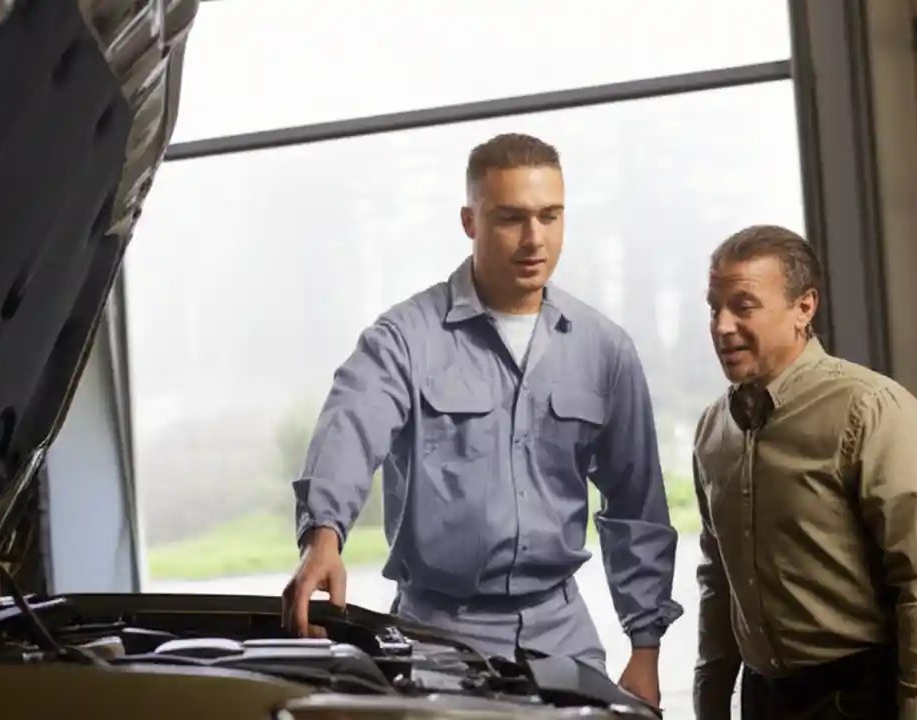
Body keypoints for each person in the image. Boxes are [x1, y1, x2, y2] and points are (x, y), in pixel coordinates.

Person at [280, 132, 683, 705]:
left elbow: (635, 504)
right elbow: (350, 427)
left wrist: (645, 648)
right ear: (470, 221)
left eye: (550, 216)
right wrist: (323, 537)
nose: (534, 239)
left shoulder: (604, 350)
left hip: (562, 631)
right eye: (510, 218)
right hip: (438, 636)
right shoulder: (404, 340)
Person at [692, 224, 917, 719]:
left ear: (804, 308)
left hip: (858, 698)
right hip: (763, 699)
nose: (722, 326)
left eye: (743, 305)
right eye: (714, 307)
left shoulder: (871, 410)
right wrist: (710, 702)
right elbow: (718, 579)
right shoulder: (715, 428)